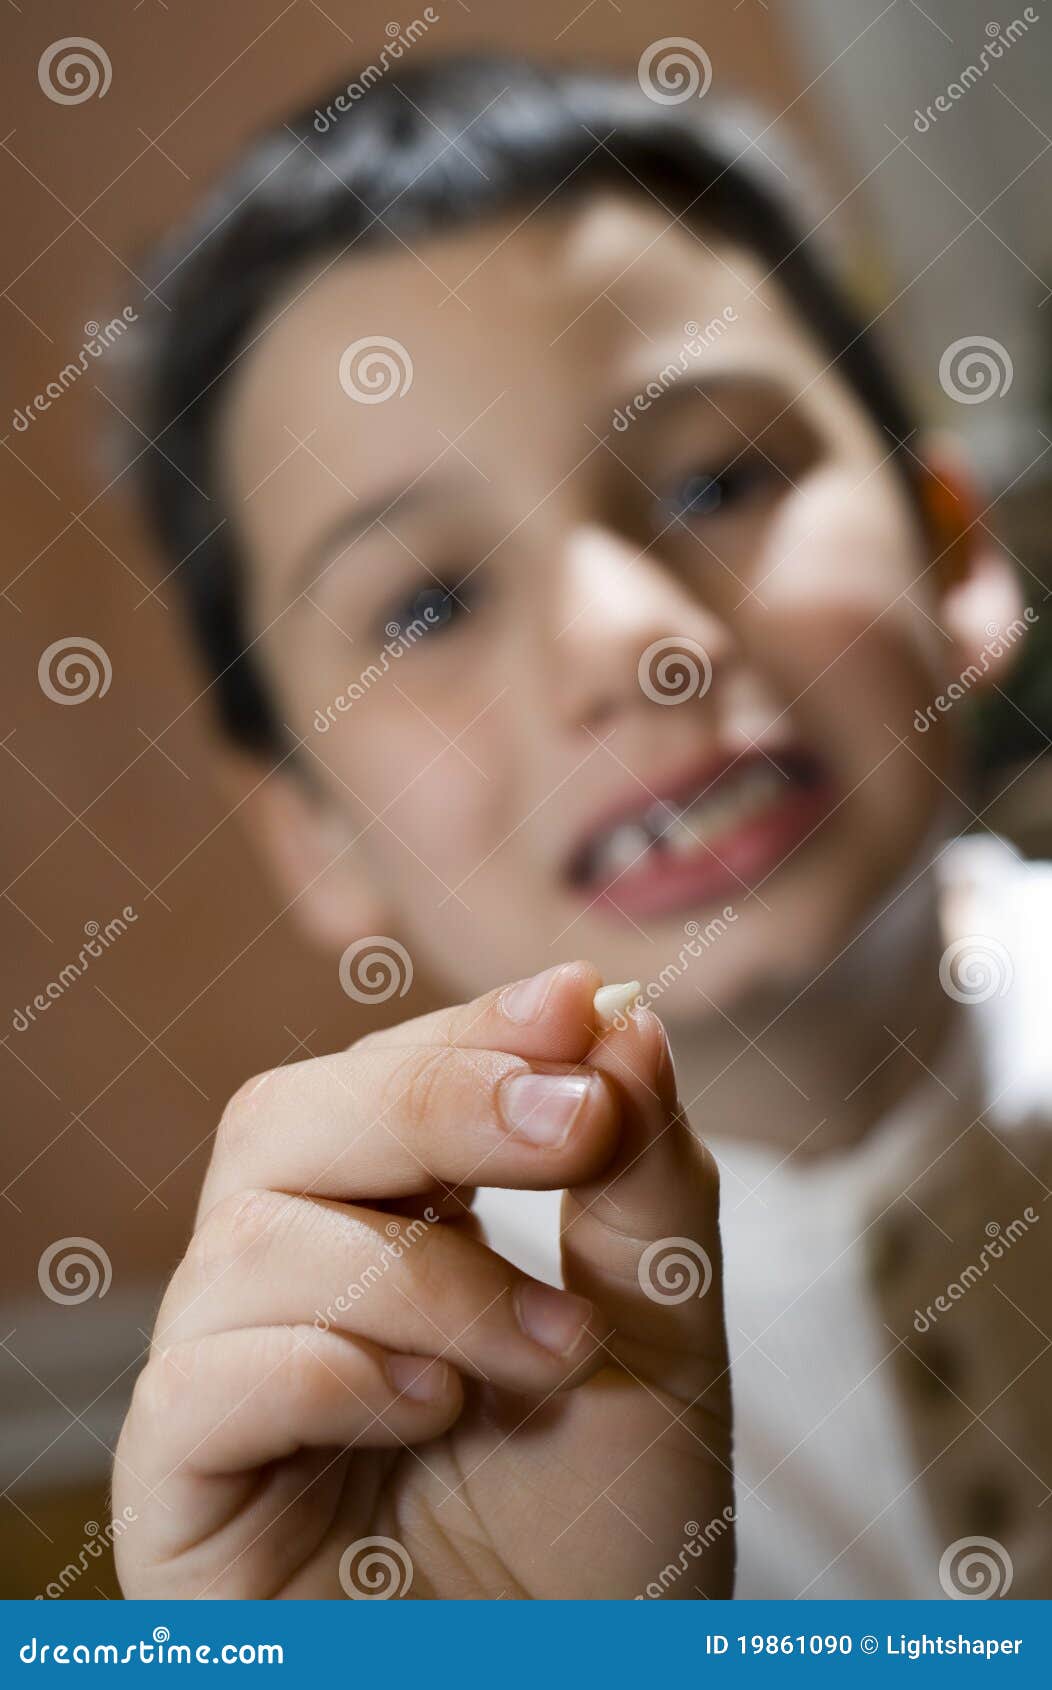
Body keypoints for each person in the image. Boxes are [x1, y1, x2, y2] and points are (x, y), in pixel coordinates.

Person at [112, 54, 1050, 1600]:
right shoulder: (381, 1426)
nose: (632, 633)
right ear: (311, 833)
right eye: (428, 601)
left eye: (717, 479)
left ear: (957, 553)